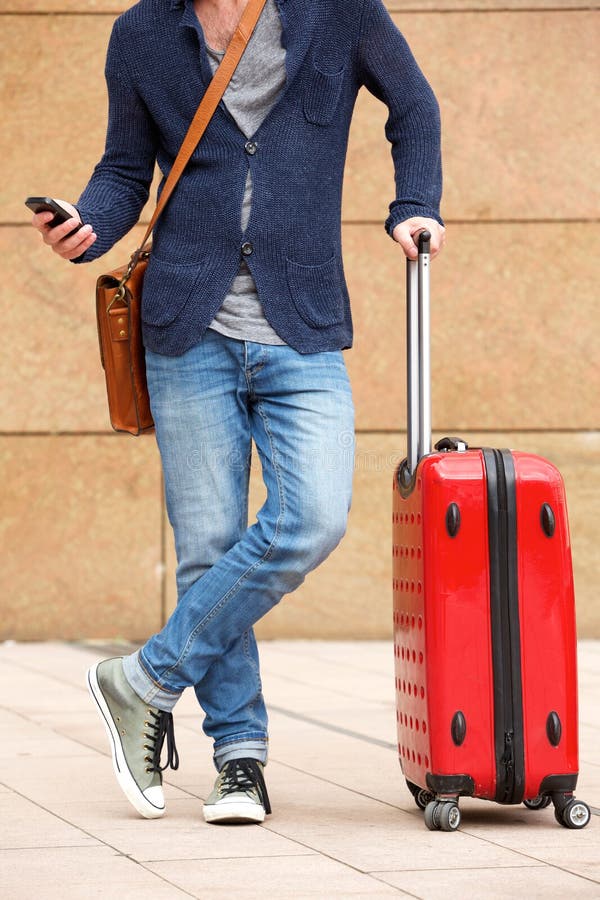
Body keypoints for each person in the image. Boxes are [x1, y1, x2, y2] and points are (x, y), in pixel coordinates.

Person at [30, 0, 445, 825]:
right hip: (188, 328)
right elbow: (124, 170)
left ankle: (143, 679)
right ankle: (238, 761)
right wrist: (88, 225)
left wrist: (414, 204)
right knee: (209, 546)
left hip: (303, 322)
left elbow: (415, 105)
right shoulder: (142, 33)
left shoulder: (340, 12)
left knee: (315, 517)